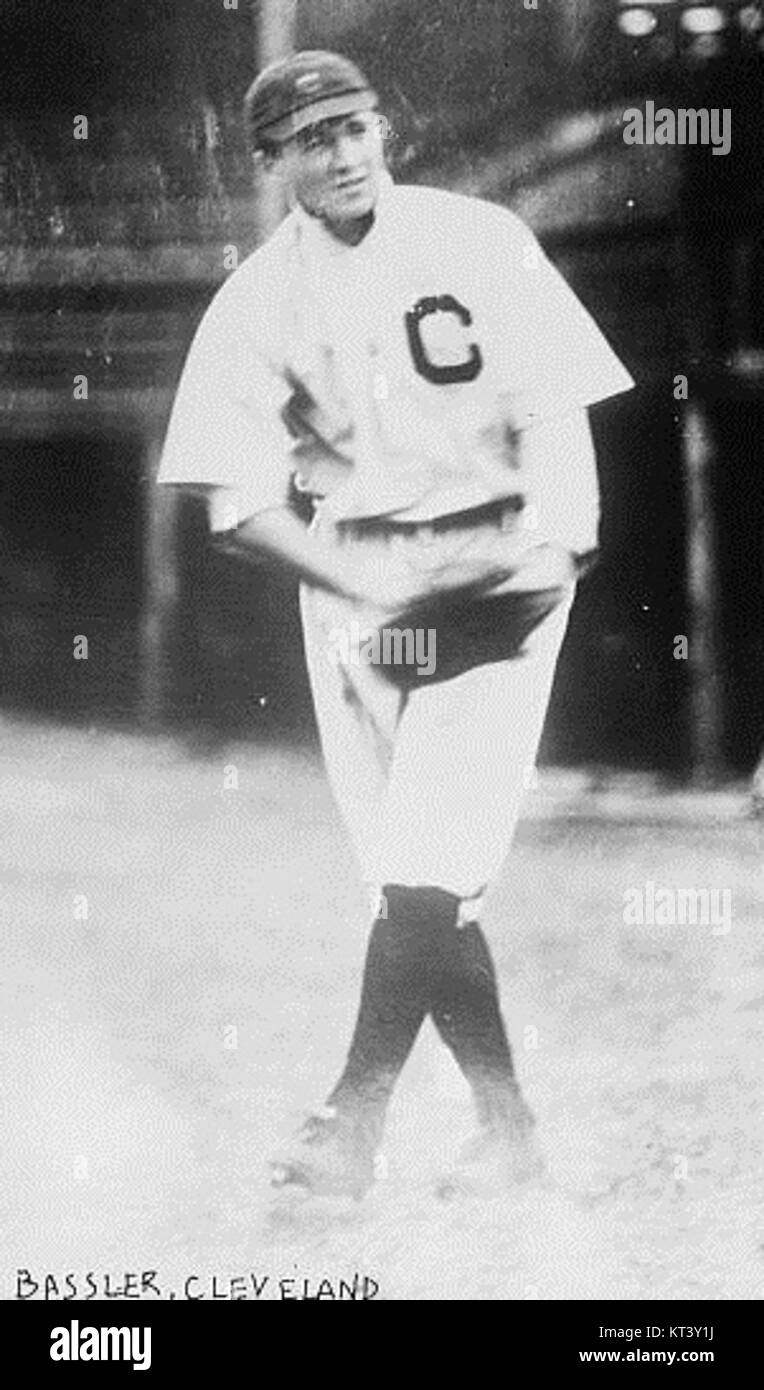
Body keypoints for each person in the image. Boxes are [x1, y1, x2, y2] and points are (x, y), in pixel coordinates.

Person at [157, 50, 634, 1198]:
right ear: (272, 164)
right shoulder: (256, 300)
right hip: (358, 583)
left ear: (384, 132)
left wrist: (556, 545)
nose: (343, 153)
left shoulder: (476, 238)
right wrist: (363, 591)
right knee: (409, 886)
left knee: (424, 863)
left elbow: (555, 405)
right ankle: (506, 1124)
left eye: (356, 127)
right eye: (312, 140)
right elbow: (237, 509)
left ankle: (349, 1121)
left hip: (491, 564)